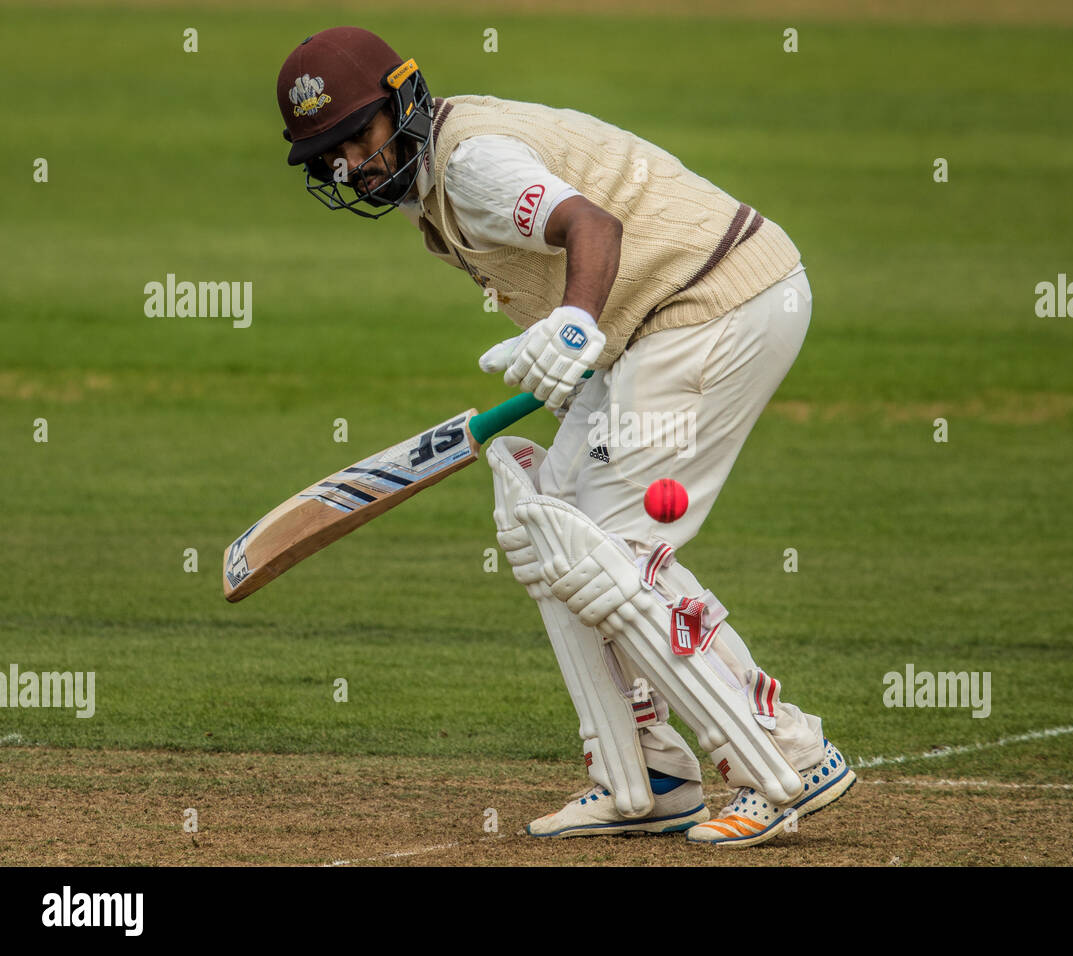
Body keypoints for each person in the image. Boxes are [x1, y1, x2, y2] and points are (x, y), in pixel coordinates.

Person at [275, 26, 854, 847]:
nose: (352, 167)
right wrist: (575, 349)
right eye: (328, 156)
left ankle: (782, 753)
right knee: (548, 521)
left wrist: (576, 328)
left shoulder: (471, 166)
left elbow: (594, 227)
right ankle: (645, 775)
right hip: (654, 319)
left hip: (710, 302)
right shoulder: (434, 180)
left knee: (609, 550)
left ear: (403, 103)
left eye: (357, 138)